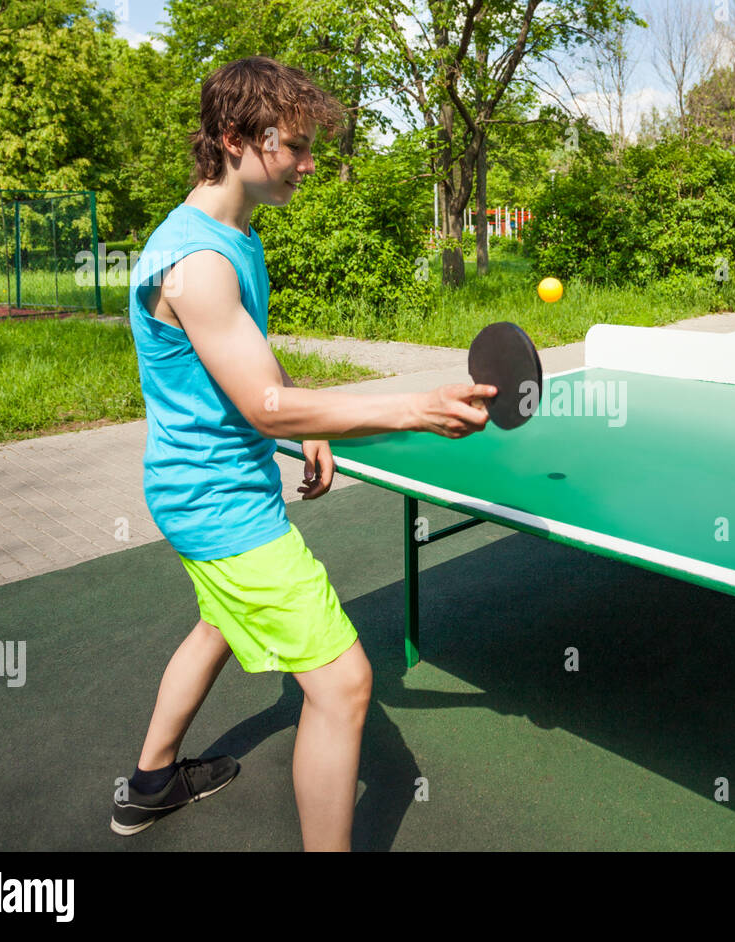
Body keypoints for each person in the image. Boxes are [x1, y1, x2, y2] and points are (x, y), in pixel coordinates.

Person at [112, 56, 495, 851]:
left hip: (201, 488)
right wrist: (415, 408)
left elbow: (253, 363)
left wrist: (310, 427)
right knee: (346, 684)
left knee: (218, 624)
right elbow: (262, 405)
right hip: (217, 505)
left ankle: (149, 784)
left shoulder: (232, 233)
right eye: (296, 146)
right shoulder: (200, 263)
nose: (310, 164)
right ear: (235, 139)